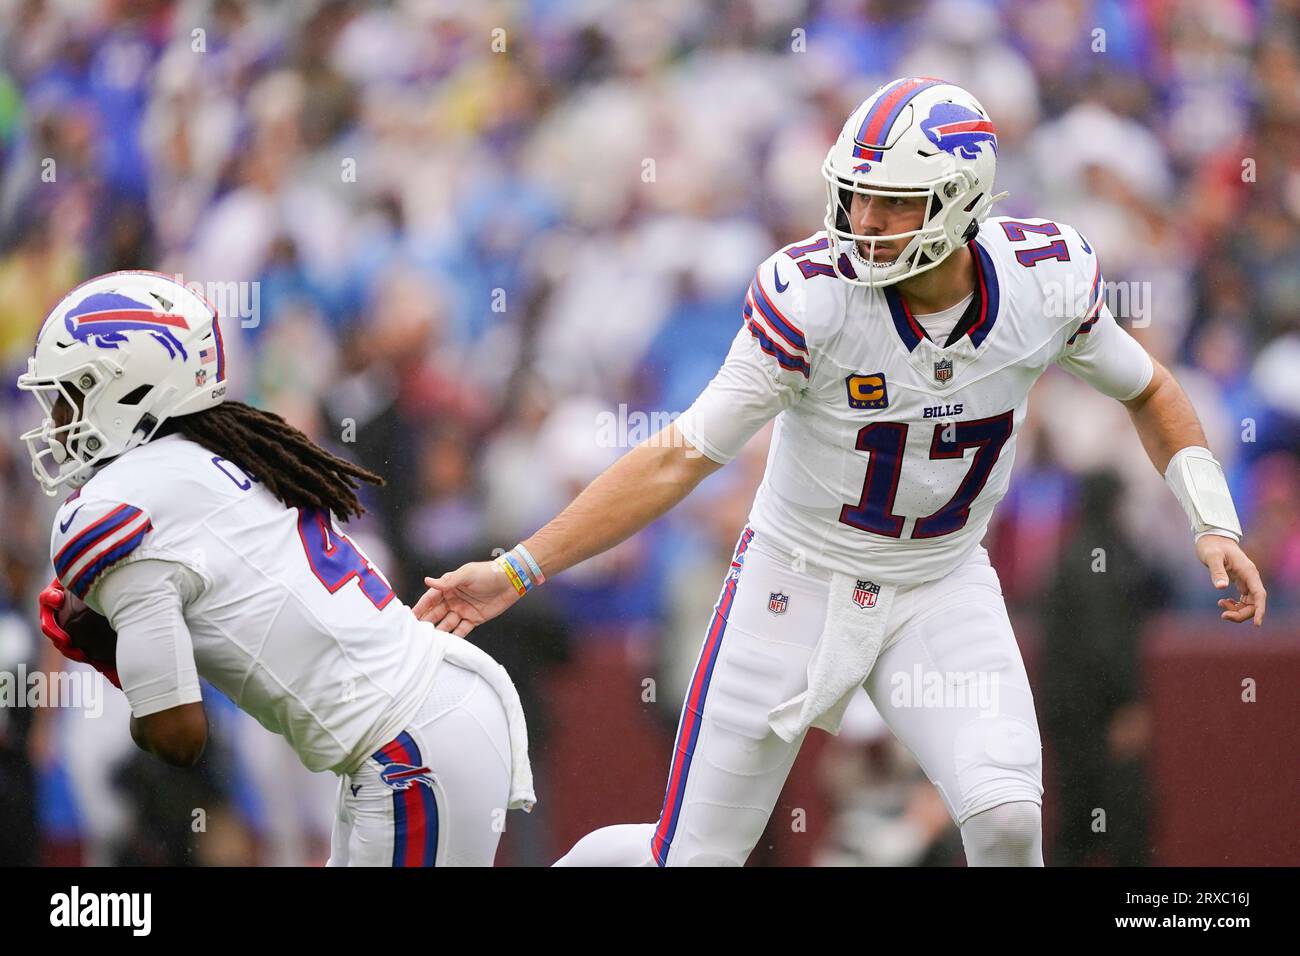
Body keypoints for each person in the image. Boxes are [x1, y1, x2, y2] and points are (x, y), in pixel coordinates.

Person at [413, 78, 1266, 867]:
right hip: (795, 581)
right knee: (694, 857)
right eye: (856, 194)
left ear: (960, 203)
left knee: (1007, 820)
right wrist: (518, 569)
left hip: (939, 583)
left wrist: (1212, 519)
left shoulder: (1043, 282)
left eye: (893, 205)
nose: (863, 220)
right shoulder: (813, 297)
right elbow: (680, 455)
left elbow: (1150, 390)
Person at [17, 270, 534, 867]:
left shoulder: (110, 508)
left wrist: (118, 663)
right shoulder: (220, 451)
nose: (55, 418)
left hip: (408, 745)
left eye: (71, 392)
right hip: (427, 721)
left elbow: (177, 737)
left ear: (128, 389)